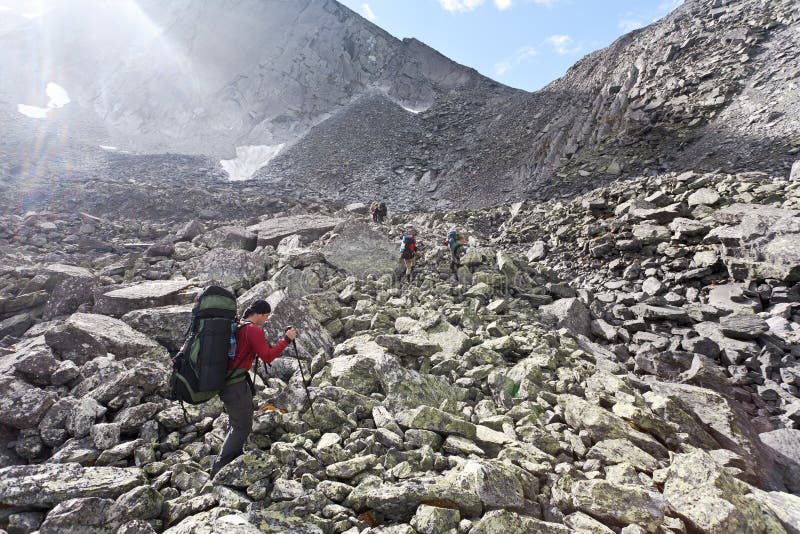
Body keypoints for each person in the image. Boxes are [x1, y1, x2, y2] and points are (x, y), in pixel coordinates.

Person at [210, 299, 297, 476]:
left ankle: (234, 455)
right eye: (265, 316)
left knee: (240, 421)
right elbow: (267, 356)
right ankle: (220, 465)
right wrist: (287, 340)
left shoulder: (240, 326)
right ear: (257, 314)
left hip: (227, 381)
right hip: (235, 384)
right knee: (242, 425)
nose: (266, 320)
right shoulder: (252, 330)